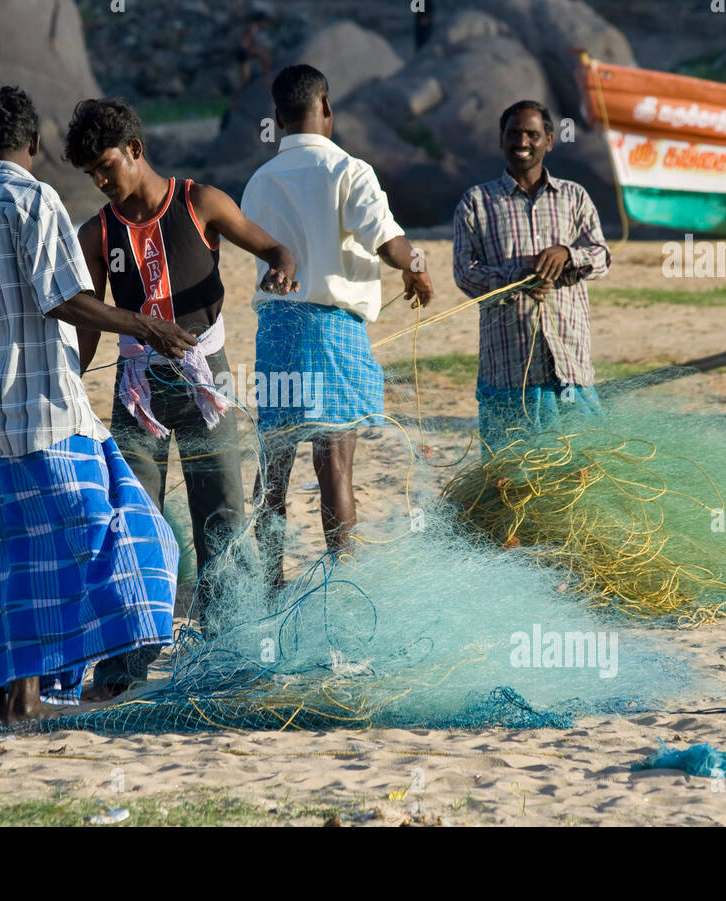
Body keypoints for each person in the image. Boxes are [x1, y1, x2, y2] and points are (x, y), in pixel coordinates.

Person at [0, 86, 196, 729]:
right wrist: (145, 325)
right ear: (31, 147)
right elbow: (63, 299)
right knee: (121, 534)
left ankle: (1, 702)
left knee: (9, 558)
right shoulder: (33, 199)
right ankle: (42, 691)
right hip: (46, 412)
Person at [64, 97, 296, 646]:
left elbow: (274, 249)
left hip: (206, 382)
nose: (100, 180)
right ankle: (133, 653)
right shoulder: (98, 233)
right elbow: (86, 314)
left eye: (107, 166)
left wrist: (283, 271)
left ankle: (223, 646)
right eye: (91, 173)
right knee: (134, 520)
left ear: (136, 150)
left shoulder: (201, 202)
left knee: (221, 518)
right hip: (136, 391)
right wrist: (71, 374)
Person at [240, 64, 433, 589]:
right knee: (335, 467)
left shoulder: (259, 181)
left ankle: (270, 585)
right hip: (331, 330)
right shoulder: (348, 170)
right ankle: (340, 581)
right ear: (326, 107)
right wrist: (417, 268)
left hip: (275, 329)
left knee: (274, 468)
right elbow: (389, 243)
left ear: (277, 118)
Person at [452, 99, 611, 450]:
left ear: (549, 141)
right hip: (507, 368)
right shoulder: (476, 202)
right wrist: (516, 277)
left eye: (532, 134)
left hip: (568, 364)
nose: (522, 142)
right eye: (514, 134)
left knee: (581, 469)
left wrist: (567, 255)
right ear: (501, 140)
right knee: (507, 477)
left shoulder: (574, 197)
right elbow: (464, 273)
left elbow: (601, 257)